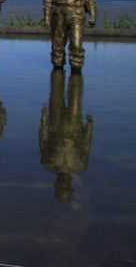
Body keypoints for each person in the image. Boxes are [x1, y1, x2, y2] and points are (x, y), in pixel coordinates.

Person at [39, 69, 94, 203]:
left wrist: (44, 120)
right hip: (72, 126)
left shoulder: (47, 163)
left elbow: (43, 140)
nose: (63, 184)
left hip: (58, 124)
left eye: (62, 187)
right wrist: (89, 127)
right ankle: (69, 73)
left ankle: (73, 72)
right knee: (70, 91)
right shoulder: (80, 165)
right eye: (65, 187)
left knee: (63, 91)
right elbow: (86, 146)